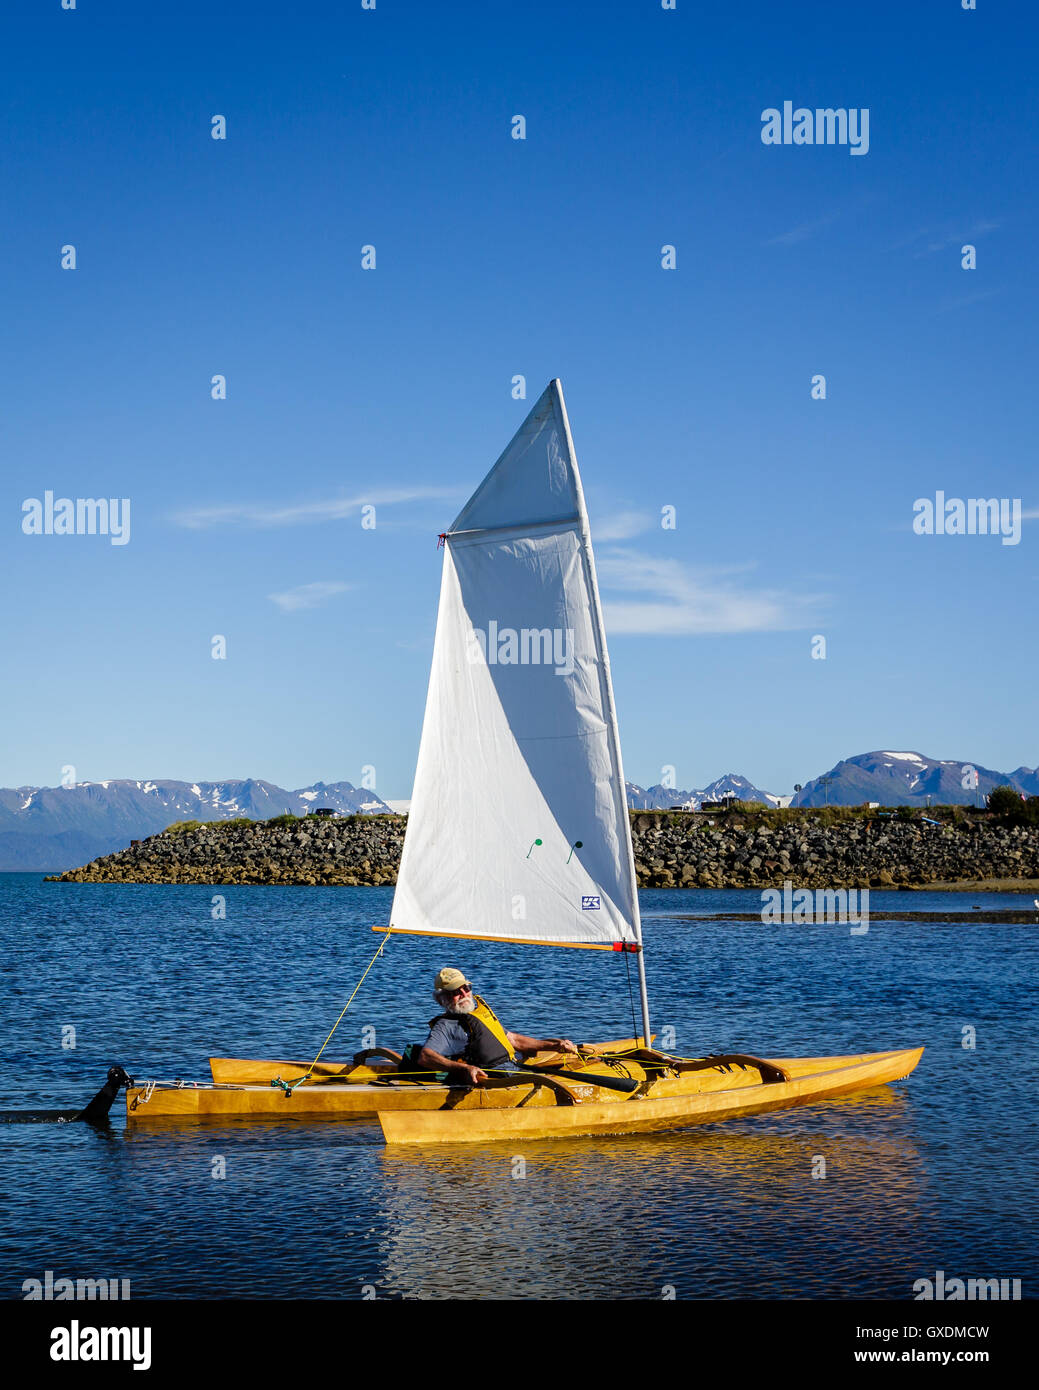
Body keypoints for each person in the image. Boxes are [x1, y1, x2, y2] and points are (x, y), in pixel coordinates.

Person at [416, 967, 578, 1086]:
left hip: (513, 1068)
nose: (464, 995)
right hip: (496, 1079)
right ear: (441, 999)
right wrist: (464, 1068)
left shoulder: (478, 1013)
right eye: (456, 992)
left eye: (466, 988)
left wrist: (554, 1045)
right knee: (569, 1078)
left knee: (581, 1064)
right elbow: (426, 1056)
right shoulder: (446, 1025)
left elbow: (513, 1040)